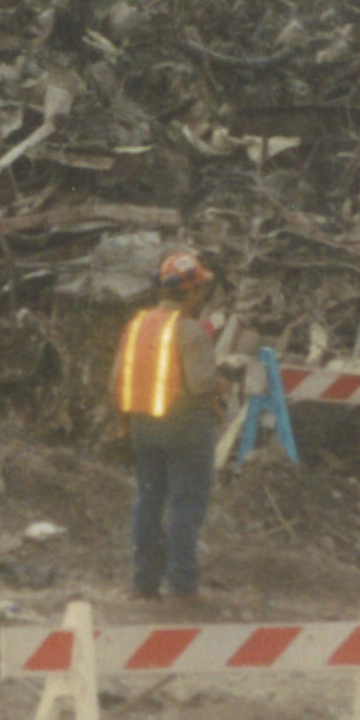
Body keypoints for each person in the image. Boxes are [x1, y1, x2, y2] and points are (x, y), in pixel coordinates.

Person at [113, 250, 226, 601]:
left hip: (144, 424)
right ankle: (182, 584)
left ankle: (143, 583)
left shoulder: (136, 326)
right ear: (191, 292)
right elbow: (202, 384)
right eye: (201, 290)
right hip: (186, 425)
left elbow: (116, 379)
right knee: (184, 503)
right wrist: (225, 383)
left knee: (147, 501)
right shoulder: (190, 331)